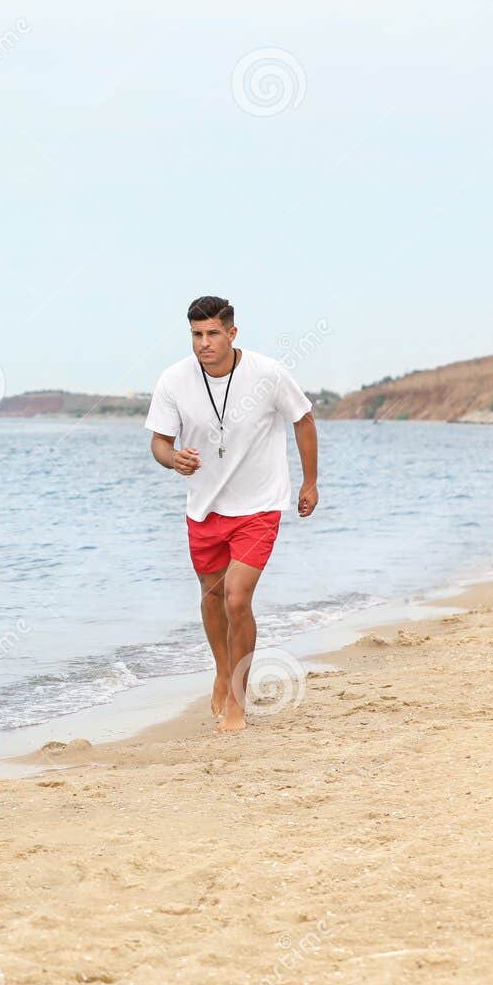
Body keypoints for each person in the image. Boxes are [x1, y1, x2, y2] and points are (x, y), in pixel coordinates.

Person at [145, 295, 319, 731]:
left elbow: (304, 419)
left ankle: (238, 699)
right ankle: (222, 670)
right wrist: (173, 459)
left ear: (232, 333)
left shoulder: (268, 373)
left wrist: (310, 481)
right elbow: (159, 443)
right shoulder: (173, 380)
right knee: (211, 597)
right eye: (196, 335)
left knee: (237, 598)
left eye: (212, 333)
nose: (204, 343)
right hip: (205, 508)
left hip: (259, 505)